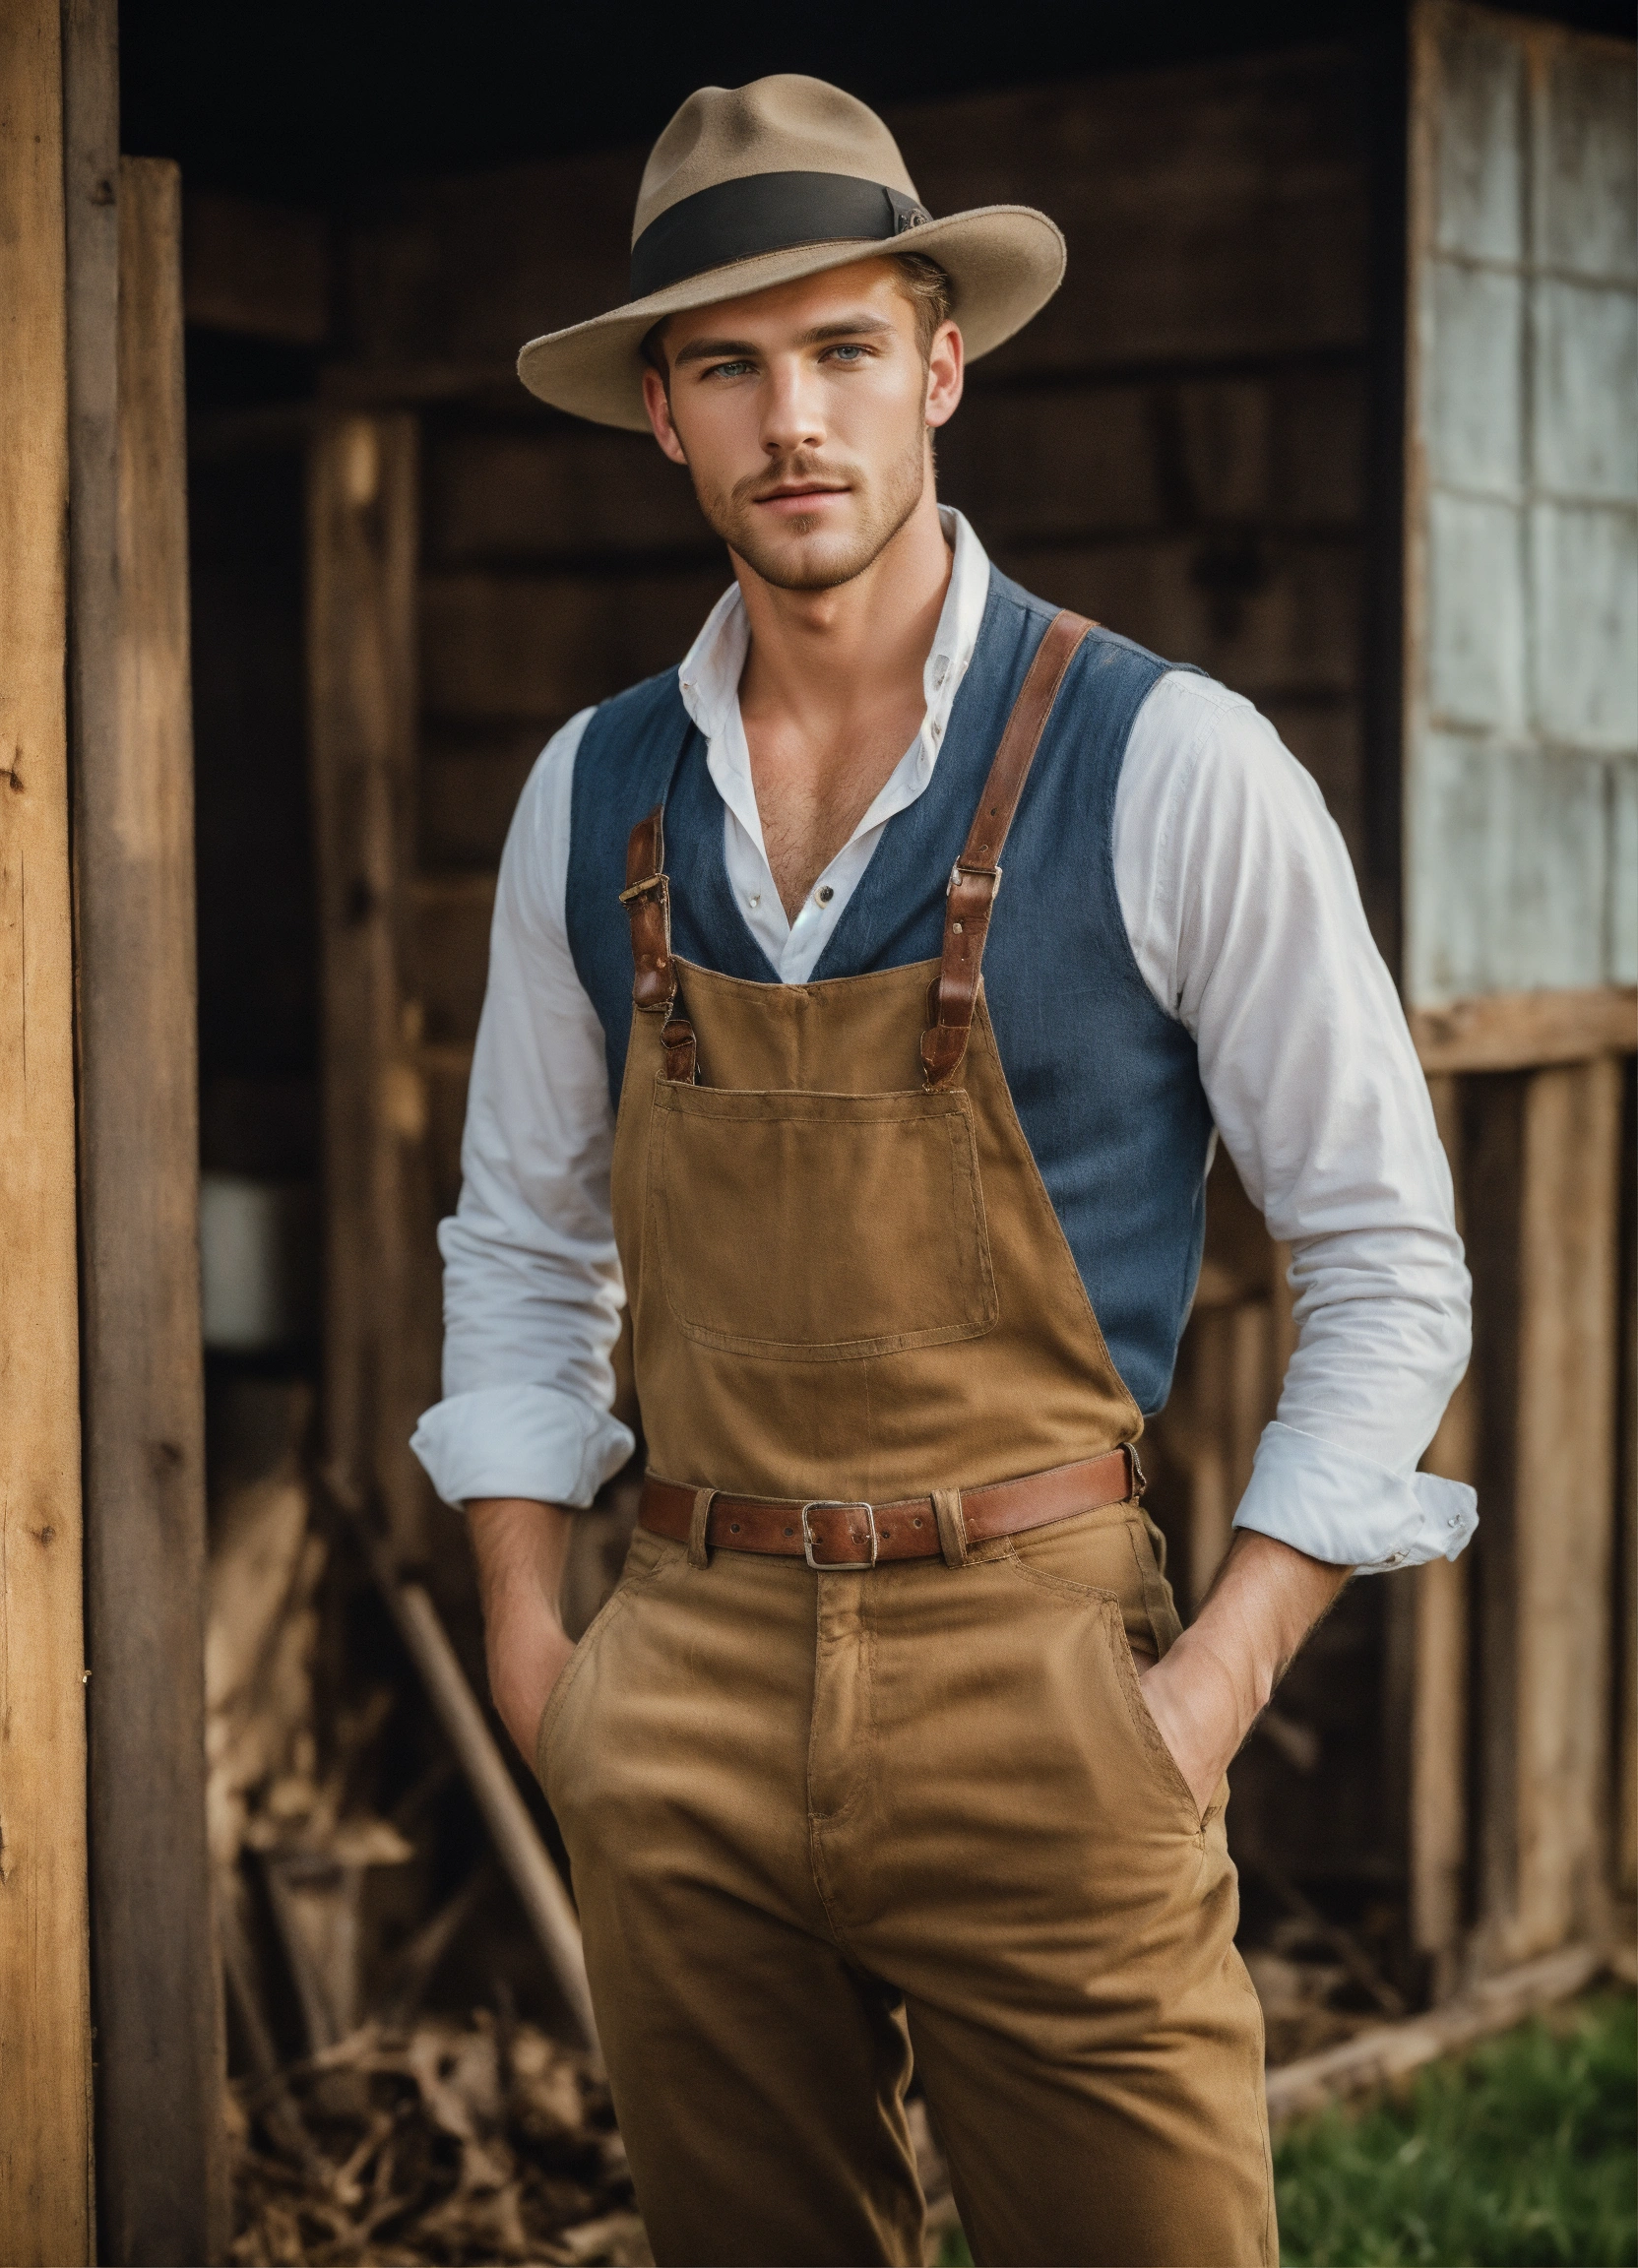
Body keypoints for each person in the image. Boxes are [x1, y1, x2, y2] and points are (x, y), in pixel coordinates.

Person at [410, 74, 1476, 2268]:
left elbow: (1389, 1265)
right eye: (729, 366)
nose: (791, 417)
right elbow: (521, 1240)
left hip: (1046, 1684)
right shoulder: (585, 797)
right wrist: (544, 1654)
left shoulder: (1172, 761)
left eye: (842, 351)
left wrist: (1204, 1693)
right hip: (683, 1675)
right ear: (660, 416)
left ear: (942, 367)